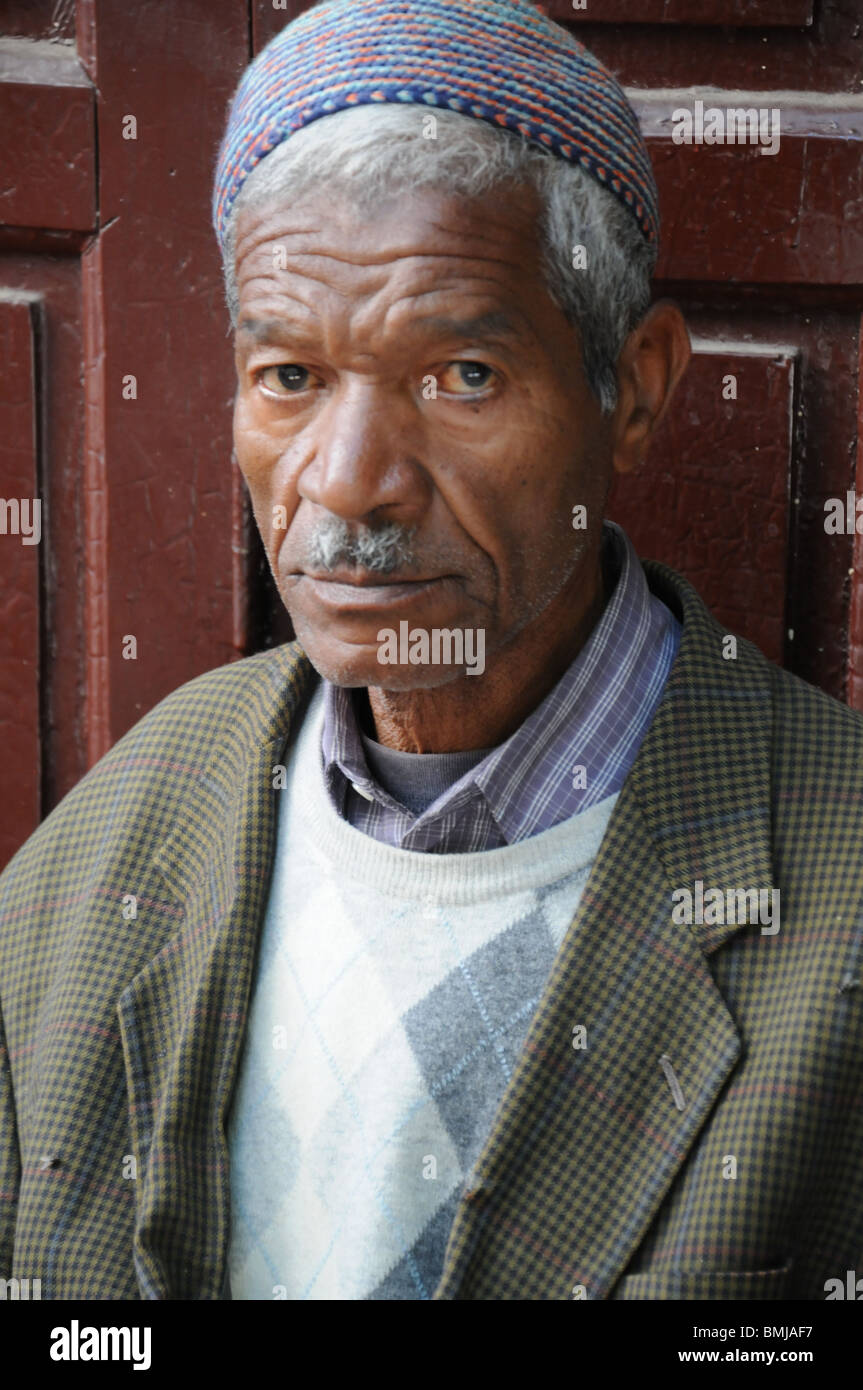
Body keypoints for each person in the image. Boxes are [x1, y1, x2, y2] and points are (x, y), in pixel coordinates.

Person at [2, 0, 862, 1302]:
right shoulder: (126, 821)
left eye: (461, 373)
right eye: (289, 376)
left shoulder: (839, 886)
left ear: (633, 388)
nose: (346, 487)